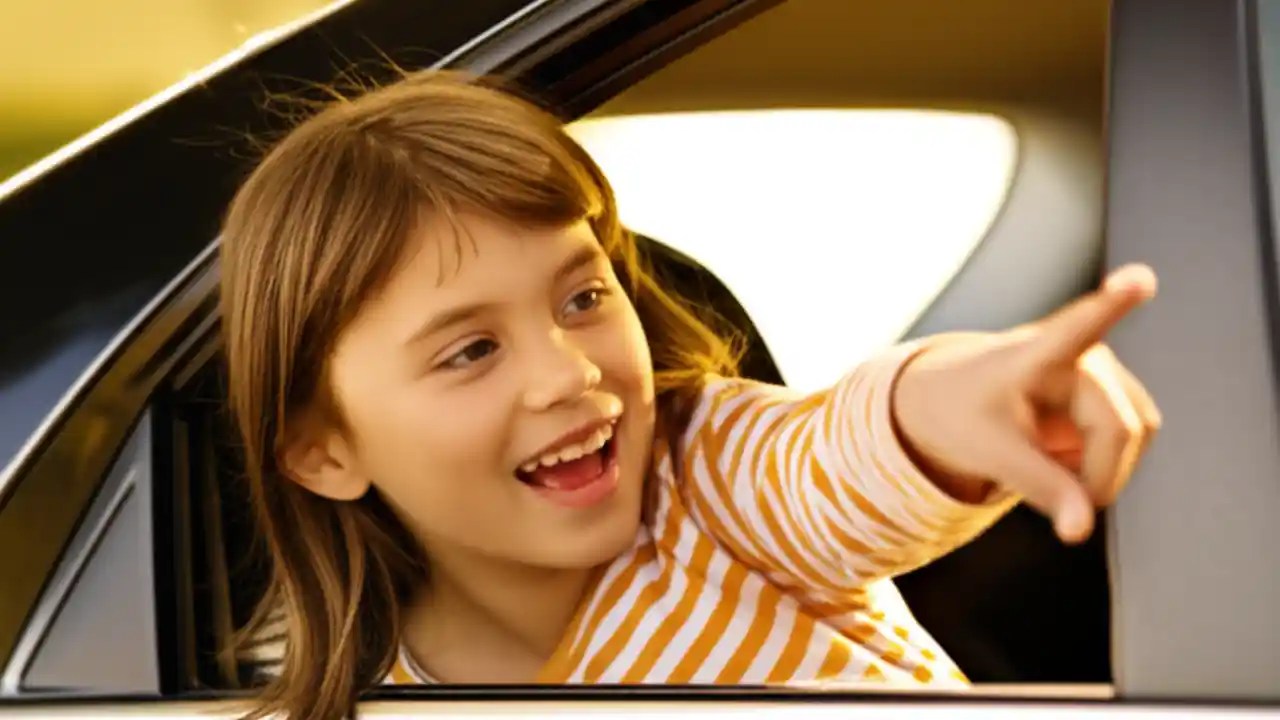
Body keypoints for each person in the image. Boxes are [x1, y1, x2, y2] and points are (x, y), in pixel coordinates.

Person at [218, 70, 1160, 720]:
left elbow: (840, 454)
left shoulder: (710, 482)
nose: (568, 373)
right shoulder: (368, 695)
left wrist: (958, 396)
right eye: (470, 351)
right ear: (324, 451)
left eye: (584, 298)